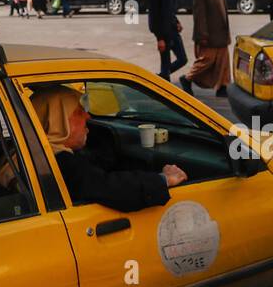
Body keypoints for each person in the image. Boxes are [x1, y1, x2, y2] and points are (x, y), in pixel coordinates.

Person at [32, 85, 186, 212]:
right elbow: (109, 187)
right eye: (79, 112)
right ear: (57, 122)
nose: (88, 117)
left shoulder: (31, 154)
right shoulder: (57, 163)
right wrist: (163, 179)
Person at [180, 0, 231, 97]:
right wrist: (202, 35)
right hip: (210, 35)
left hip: (222, 34)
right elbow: (199, 16)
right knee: (206, 60)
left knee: (224, 62)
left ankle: (222, 86)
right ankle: (187, 78)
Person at [147, 0, 187, 80]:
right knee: (165, 64)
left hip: (173, 31)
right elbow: (154, 17)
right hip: (163, 34)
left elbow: (170, 11)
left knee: (182, 59)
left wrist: (177, 22)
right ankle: (164, 79)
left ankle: (163, 77)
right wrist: (159, 38)